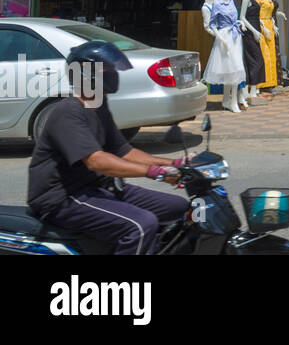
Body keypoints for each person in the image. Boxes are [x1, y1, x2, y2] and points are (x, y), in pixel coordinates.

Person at [27, 41, 192, 255]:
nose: (114, 74)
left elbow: (125, 151)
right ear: (87, 75)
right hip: (63, 197)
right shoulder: (68, 112)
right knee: (141, 225)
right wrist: (155, 173)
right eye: (108, 70)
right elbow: (97, 161)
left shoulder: (98, 105)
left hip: (97, 187)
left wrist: (176, 164)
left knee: (178, 207)